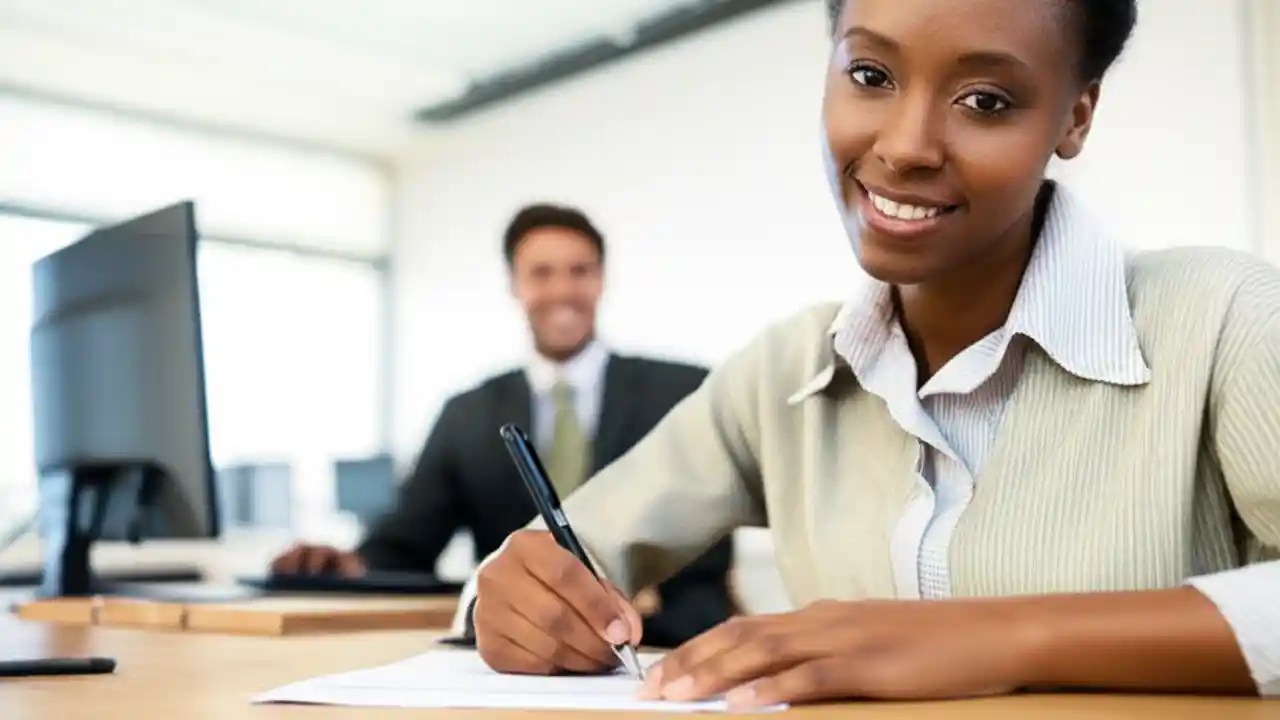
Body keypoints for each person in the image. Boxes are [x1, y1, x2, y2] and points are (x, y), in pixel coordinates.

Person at [472, 0, 1280, 709]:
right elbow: (561, 561)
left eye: (984, 100)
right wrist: (512, 596)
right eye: (869, 75)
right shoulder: (780, 373)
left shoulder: (1223, 318)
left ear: (1074, 116)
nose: (905, 146)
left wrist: (998, 638)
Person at [272, 203, 735, 648]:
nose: (562, 291)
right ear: (514, 284)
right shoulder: (467, 413)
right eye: (541, 273)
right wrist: (345, 565)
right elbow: (408, 542)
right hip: (521, 656)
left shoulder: (683, 390)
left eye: (580, 271)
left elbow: (712, 526)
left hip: (670, 642)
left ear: (601, 280)